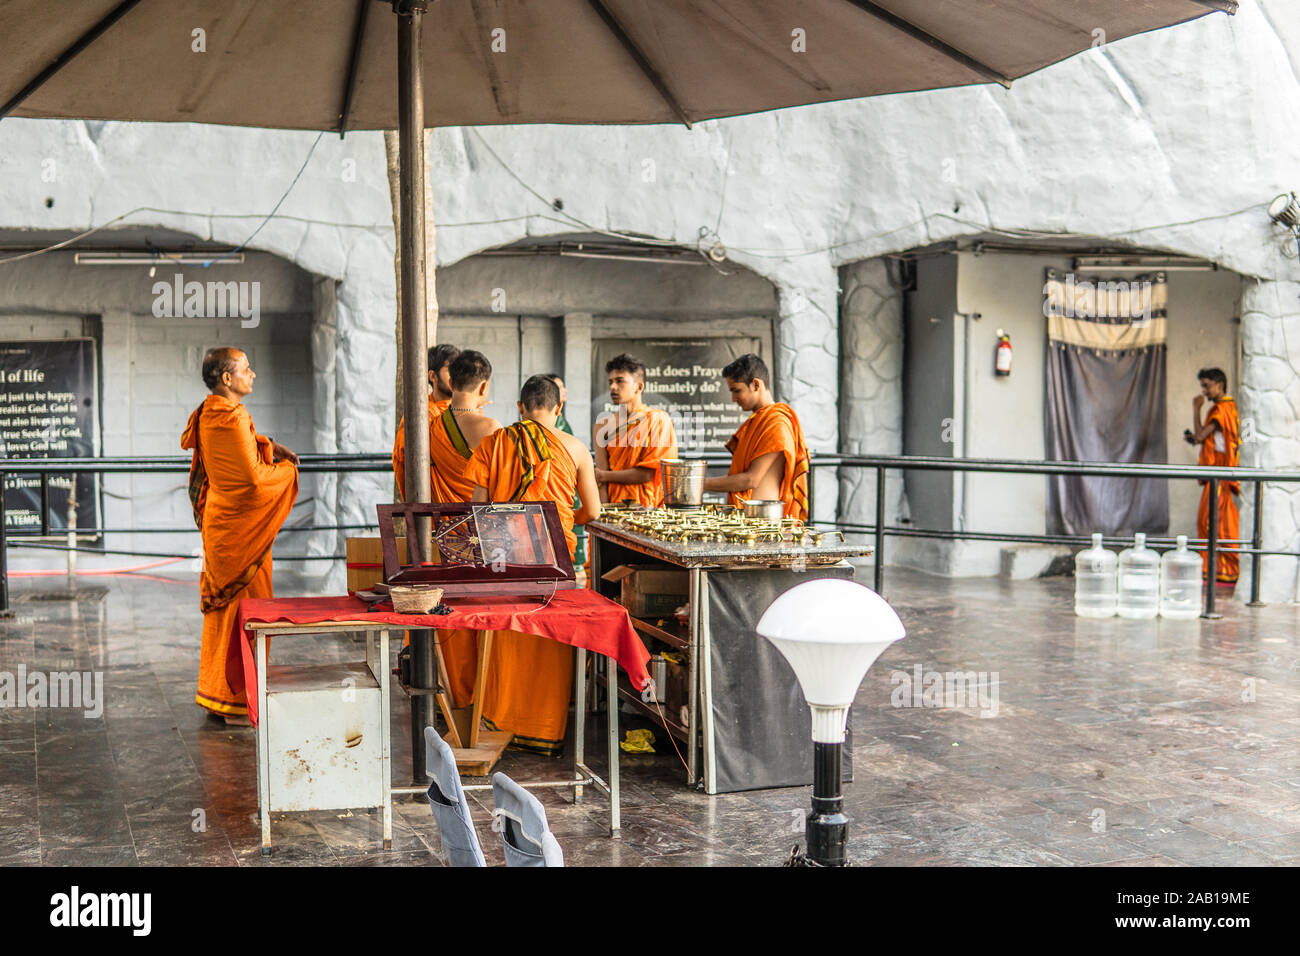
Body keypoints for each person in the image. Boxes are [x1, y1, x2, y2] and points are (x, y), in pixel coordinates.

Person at [465, 375, 601, 754]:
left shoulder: (495, 443)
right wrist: (556, 520)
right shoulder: (575, 448)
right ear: (558, 408)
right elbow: (594, 510)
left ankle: (500, 719)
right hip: (553, 562)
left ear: (520, 408)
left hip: (504, 560)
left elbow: (476, 508)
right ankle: (544, 729)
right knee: (547, 639)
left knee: (507, 633)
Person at [180, 348, 298, 724]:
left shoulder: (212, 413)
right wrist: (287, 474)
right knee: (246, 609)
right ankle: (236, 700)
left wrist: (266, 444)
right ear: (226, 379)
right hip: (238, 526)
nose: (254, 374)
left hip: (228, 527)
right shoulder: (228, 418)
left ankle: (220, 695)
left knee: (227, 612)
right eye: (246, 369)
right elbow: (251, 482)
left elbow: (241, 455)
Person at [429, 350, 502, 705]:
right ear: (484, 385)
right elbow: (499, 489)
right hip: (482, 534)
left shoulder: (431, 424)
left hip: (445, 531)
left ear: (450, 381)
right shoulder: (488, 427)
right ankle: (482, 697)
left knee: (451, 613)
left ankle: (453, 693)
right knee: (484, 615)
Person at [703, 353, 810, 520]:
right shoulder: (757, 421)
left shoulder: (777, 422)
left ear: (755, 384)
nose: (733, 399)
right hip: (749, 518)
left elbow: (751, 480)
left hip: (765, 522)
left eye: (736, 391)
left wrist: (699, 483)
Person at [593, 353, 678, 507]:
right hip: (614, 508)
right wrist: (604, 515)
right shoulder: (602, 424)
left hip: (648, 509)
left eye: (620, 381)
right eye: (610, 382)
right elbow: (600, 482)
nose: (612, 387)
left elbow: (646, 474)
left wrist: (604, 476)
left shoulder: (658, 420)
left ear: (639, 386)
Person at [1183, 367, 1241, 585]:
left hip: (1219, 474)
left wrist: (1196, 408)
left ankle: (1232, 565)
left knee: (1212, 522)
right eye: (1202, 387)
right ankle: (1220, 569)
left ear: (1219, 384)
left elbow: (1200, 436)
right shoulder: (1222, 409)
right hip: (1217, 474)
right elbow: (1201, 439)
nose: (1204, 391)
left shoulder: (1222, 411)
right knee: (1214, 521)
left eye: (1207, 386)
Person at [392, 343, 460, 501]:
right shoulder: (420, 416)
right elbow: (404, 459)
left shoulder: (470, 412)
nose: (457, 376)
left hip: (468, 505)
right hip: (433, 504)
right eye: (450, 370)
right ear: (433, 376)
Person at [543, 372, 587, 568]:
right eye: (559, 388)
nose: (565, 391)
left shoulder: (504, 439)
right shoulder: (574, 444)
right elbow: (592, 511)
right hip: (556, 513)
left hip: (529, 524)